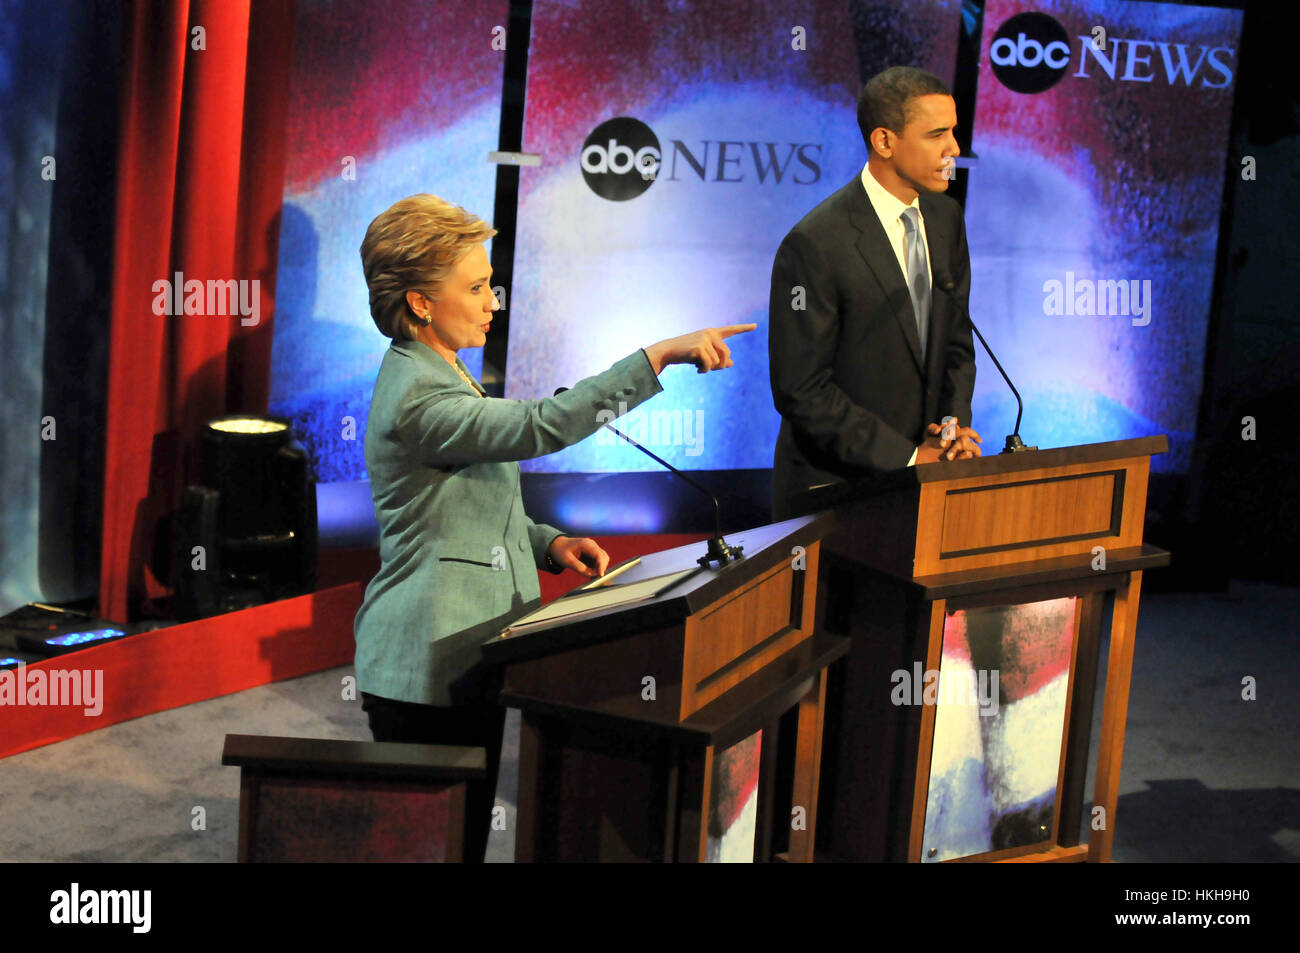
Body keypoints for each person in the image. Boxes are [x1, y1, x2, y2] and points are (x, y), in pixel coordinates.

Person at [352, 193, 753, 861]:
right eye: (476, 287)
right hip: (425, 664)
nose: (491, 302)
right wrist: (656, 357)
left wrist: (547, 542)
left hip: (468, 649)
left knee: (461, 842)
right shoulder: (419, 392)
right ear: (421, 302)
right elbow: (542, 426)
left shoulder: (440, 370)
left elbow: (462, 502)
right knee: (435, 847)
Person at [768, 66, 982, 520]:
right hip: (839, 496)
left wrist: (950, 430)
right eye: (937, 135)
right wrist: (906, 458)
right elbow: (801, 391)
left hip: (927, 487)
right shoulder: (815, 243)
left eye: (954, 133)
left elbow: (957, 347)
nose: (954, 150)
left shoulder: (946, 220)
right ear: (885, 142)